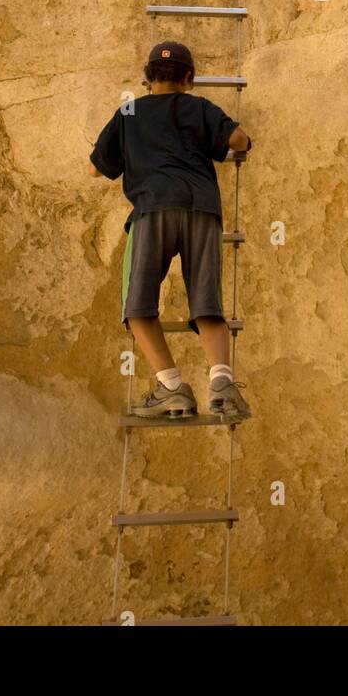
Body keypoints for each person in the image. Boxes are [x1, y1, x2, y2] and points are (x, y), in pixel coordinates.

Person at [89, 40, 253, 422]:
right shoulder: (198, 108)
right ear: (189, 78)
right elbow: (239, 140)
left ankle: (172, 387)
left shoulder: (129, 110)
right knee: (207, 303)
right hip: (202, 209)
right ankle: (222, 385)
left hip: (152, 210)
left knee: (138, 306)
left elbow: (97, 167)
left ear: (148, 78)